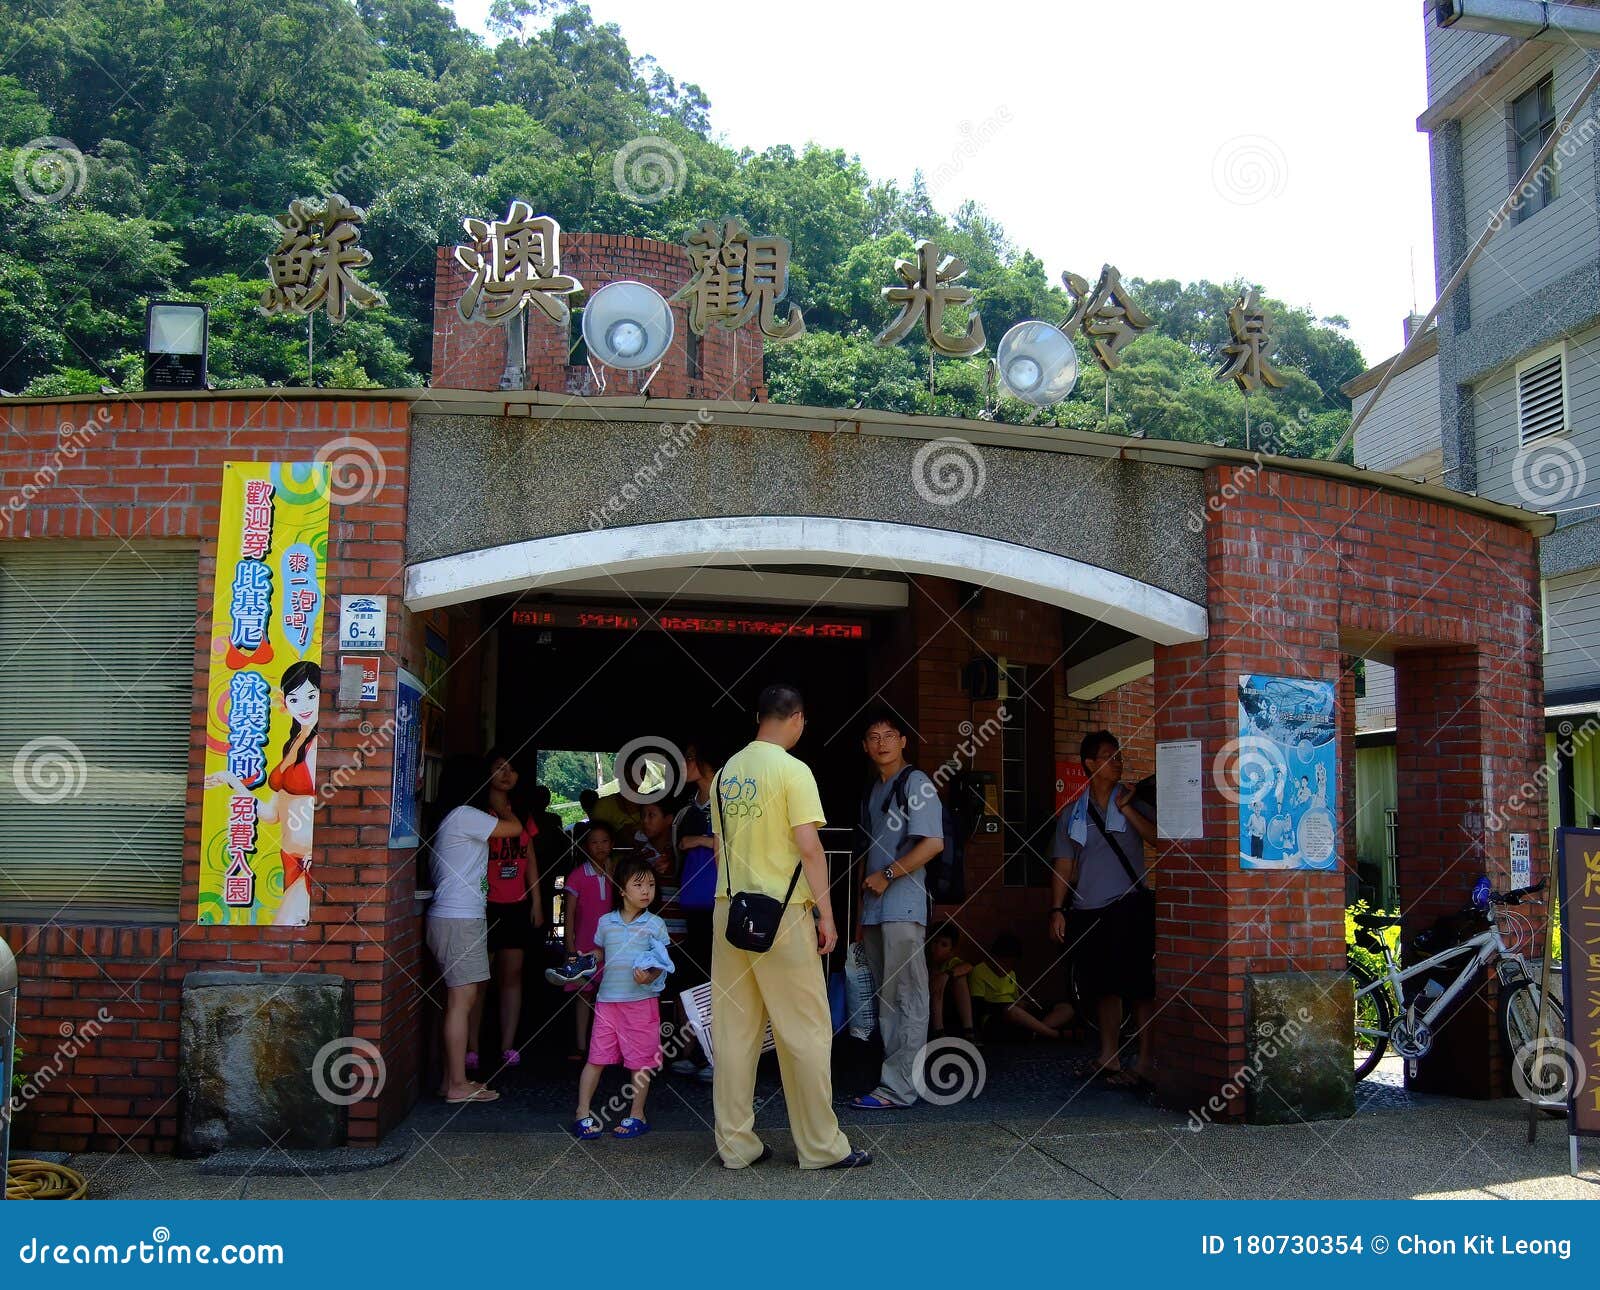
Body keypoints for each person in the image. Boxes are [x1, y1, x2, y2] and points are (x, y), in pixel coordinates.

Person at [711, 683, 870, 1170]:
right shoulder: (793, 770)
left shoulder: (724, 774)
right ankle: (820, 1147)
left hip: (730, 912)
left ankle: (736, 1146)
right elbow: (808, 847)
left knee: (735, 1033)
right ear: (797, 718)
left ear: (759, 717)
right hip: (782, 914)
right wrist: (826, 913)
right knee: (805, 1030)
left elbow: (720, 851)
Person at [1049, 730, 1158, 1089]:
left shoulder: (1132, 799)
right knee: (1102, 987)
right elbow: (1064, 864)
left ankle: (1145, 1060)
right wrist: (1057, 908)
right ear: (1091, 764)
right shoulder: (1073, 813)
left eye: (1119, 756)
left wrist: (1127, 809)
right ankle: (1108, 1055)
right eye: (1110, 756)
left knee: (1139, 985)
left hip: (1128, 906)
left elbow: (1157, 839)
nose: (1118, 762)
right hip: (1087, 909)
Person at [851, 708, 943, 1110]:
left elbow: (932, 843)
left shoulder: (917, 783)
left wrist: (887, 875)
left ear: (904, 741)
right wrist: (860, 915)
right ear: (865, 746)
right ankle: (892, 1083)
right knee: (888, 998)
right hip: (875, 911)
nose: (882, 743)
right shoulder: (875, 789)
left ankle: (900, 1088)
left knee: (907, 996)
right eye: (873, 737)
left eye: (890, 735)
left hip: (903, 907)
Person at [426, 754, 526, 1104]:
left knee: (456, 1001)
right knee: (460, 1002)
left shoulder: (451, 819)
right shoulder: (466, 816)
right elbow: (516, 830)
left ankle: (449, 1080)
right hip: (461, 919)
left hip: (449, 918)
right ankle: (457, 1084)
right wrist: (505, 808)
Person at [204, 660, 321, 926]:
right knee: (285, 932)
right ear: (285, 702)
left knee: (285, 927)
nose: (303, 705)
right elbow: (270, 814)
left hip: (309, 859)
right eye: (294, 698)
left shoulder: (322, 745)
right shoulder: (292, 744)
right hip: (290, 857)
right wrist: (231, 779)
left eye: (312, 696)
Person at [572, 856, 671, 1140]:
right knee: (596, 1058)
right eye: (638, 885)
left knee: (640, 1062)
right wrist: (589, 958)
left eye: (651, 885)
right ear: (622, 890)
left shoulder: (656, 924)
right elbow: (602, 953)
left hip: (642, 1003)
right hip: (607, 1002)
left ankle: (636, 1115)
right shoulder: (606, 923)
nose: (646, 891)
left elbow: (662, 962)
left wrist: (650, 976)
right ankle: (582, 1113)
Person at [470, 756, 545, 1072]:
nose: (506, 774)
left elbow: (530, 859)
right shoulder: (475, 813)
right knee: (478, 979)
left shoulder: (523, 813)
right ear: (486, 772)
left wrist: (537, 902)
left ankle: (507, 1046)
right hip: (483, 904)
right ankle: (472, 1048)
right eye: (499, 767)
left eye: (512, 768)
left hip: (517, 905)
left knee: (511, 976)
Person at [667, 738, 720, 1080]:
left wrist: (699, 841)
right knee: (695, 976)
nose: (683, 763)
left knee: (720, 979)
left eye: (687, 757)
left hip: (720, 901)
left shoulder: (726, 796)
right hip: (693, 899)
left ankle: (719, 1058)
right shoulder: (690, 804)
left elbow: (734, 844)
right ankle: (696, 1052)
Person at [547, 819, 610, 1060]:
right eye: (594, 842)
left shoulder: (617, 872)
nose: (600, 847)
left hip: (611, 944)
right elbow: (568, 913)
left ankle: (604, 1045)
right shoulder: (577, 876)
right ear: (585, 846)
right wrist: (570, 946)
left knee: (609, 994)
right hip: (584, 944)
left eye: (605, 841)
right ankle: (581, 1044)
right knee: (584, 994)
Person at [968, 932, 1075, 1039]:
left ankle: (1038, 1031)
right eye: (1004, 963)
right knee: (1012, 1011)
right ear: (994, 958)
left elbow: (1016, 1000)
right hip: (995, 1017)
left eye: (1011, 964)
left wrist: (1023, 1003)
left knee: (1066, 1008)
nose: (1007, 968)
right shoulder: (979, 971)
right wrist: (1009, 1006)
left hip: (1017, 1014)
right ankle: (1054, 1034)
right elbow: (978, 1006)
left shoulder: (1012, 973)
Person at [927, 923, 975, 1042]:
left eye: (944, 945)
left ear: (951, 950)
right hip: (927, 1011)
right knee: (937, 981)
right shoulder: (924, 961)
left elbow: (968, 966)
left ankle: (968, 1031)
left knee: (960, 978)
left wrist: (946, 975)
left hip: (949, 1009)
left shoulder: (951, 962)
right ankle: (938, 1032)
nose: (937, 947)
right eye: (935, 942)